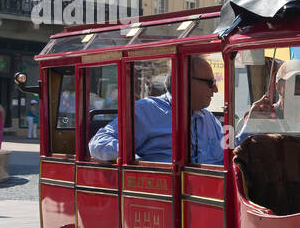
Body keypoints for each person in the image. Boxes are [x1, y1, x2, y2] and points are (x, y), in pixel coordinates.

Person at [88, 55, 223, 164]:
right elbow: (98, 143)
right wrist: (135, 160)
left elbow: (226, 155)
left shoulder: (209, 119)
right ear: (185, 81)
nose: (215, 89)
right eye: (210, 83)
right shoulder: (146, 110)